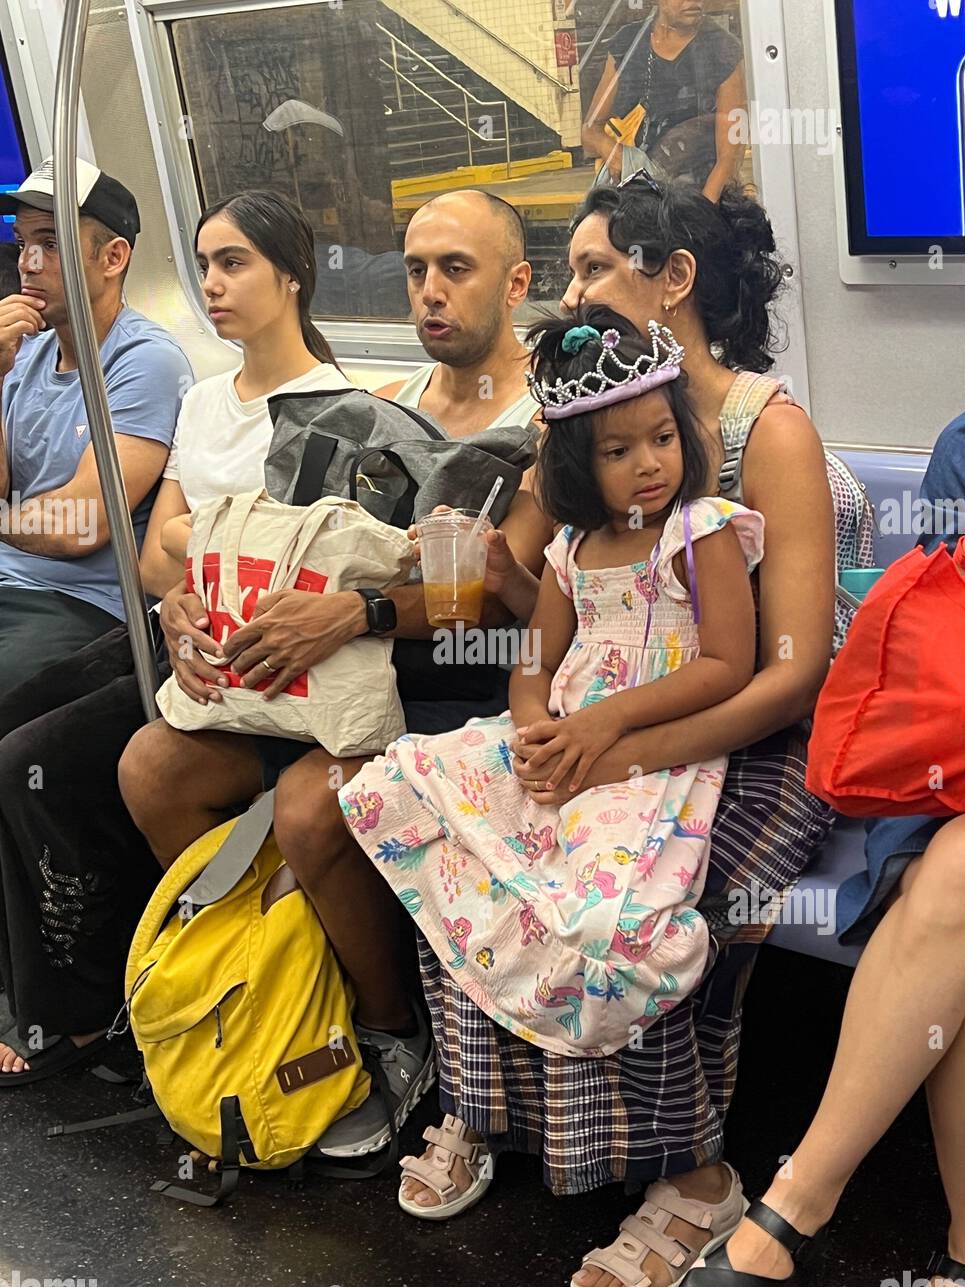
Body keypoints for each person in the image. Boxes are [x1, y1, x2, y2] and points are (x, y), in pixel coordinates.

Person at [388, 174, 862, 1287]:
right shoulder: (588, 421)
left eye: (595, 268)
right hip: (612, 708)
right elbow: (534, 603)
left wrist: (613, 748)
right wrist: (491, 586)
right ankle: (490, 1109)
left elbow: (783, 678)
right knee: (476, 843)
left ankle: (690, 1170)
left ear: (675, 280)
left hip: (761, 728)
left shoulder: (757, 438)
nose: (574, 291)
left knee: (651, 894)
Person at [119, 189, 554, 1151]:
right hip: (343, 677)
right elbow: (278, 545)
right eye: (415, 270)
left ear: (518, 283)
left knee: (320, 806)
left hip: (464, 684)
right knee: (153, 767)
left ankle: (392, 1027)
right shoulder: (381, 408)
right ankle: (279, 973)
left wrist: (353, 612)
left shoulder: (543, 427)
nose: (429, 293)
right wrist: (196, 600)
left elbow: (478, 598)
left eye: (457, 269)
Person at [341, 305, 764, 1214]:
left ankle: (658, 1148)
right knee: (404, 782)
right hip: (562, 741)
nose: (649, 463)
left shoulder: (705, 532)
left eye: (661, 438)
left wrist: (600, 728)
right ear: (577, 467)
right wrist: (531, 725)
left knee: (593, 917)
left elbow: (728, 665)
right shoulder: (573, 549)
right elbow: (537, 654)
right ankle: (475, 1099)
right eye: (619, 451)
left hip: (649, 758)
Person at [0, 190, 347, 1084]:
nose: (211, 285)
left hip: (253, 652)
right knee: (19, 740)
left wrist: (202, 549)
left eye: (232, 264)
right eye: (203, 266)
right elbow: (161, 560)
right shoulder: (203, 402)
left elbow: (292, 562)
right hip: (178, 622)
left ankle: (92, 1003)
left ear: (292, 278)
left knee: (38, 755)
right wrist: (201, 559)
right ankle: (57, 998)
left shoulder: (336, 408)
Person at [672, 427, 965, 1287]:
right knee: (958, 871)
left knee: (962, 880)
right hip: (951, 781)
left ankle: (794, 1208)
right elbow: (926, 666)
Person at [0, 156, 190, 694]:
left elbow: (78, 524)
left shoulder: (145, 362)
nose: (28, 264)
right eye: (22, 244)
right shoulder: (24, 355)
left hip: (80, 604)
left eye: (51, 244)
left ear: (112, 257)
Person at [582, 2, 746, 200]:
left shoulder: (721, 49)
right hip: (639, 197)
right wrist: (616, 154)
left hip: (696, 194)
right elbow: (590, 131)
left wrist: (702, 216)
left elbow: (729, 160)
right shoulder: (628, 44)